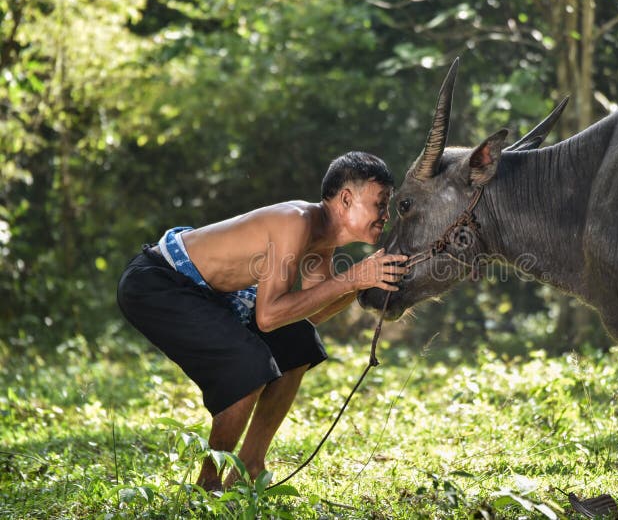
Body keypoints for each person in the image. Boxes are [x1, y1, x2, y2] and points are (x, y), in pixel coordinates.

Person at [117, 151, 408, 490]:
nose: (386, 215)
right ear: (346, 198)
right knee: (248, 364)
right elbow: (269, 316)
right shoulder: (297, 221)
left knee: (297, 341)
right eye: (380, 204)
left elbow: (309, 314)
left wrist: (363, 283)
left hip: (204, 291)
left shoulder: (322, 239)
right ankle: (207, 485)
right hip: (156, 281)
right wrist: (353, 278)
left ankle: (248, 468)